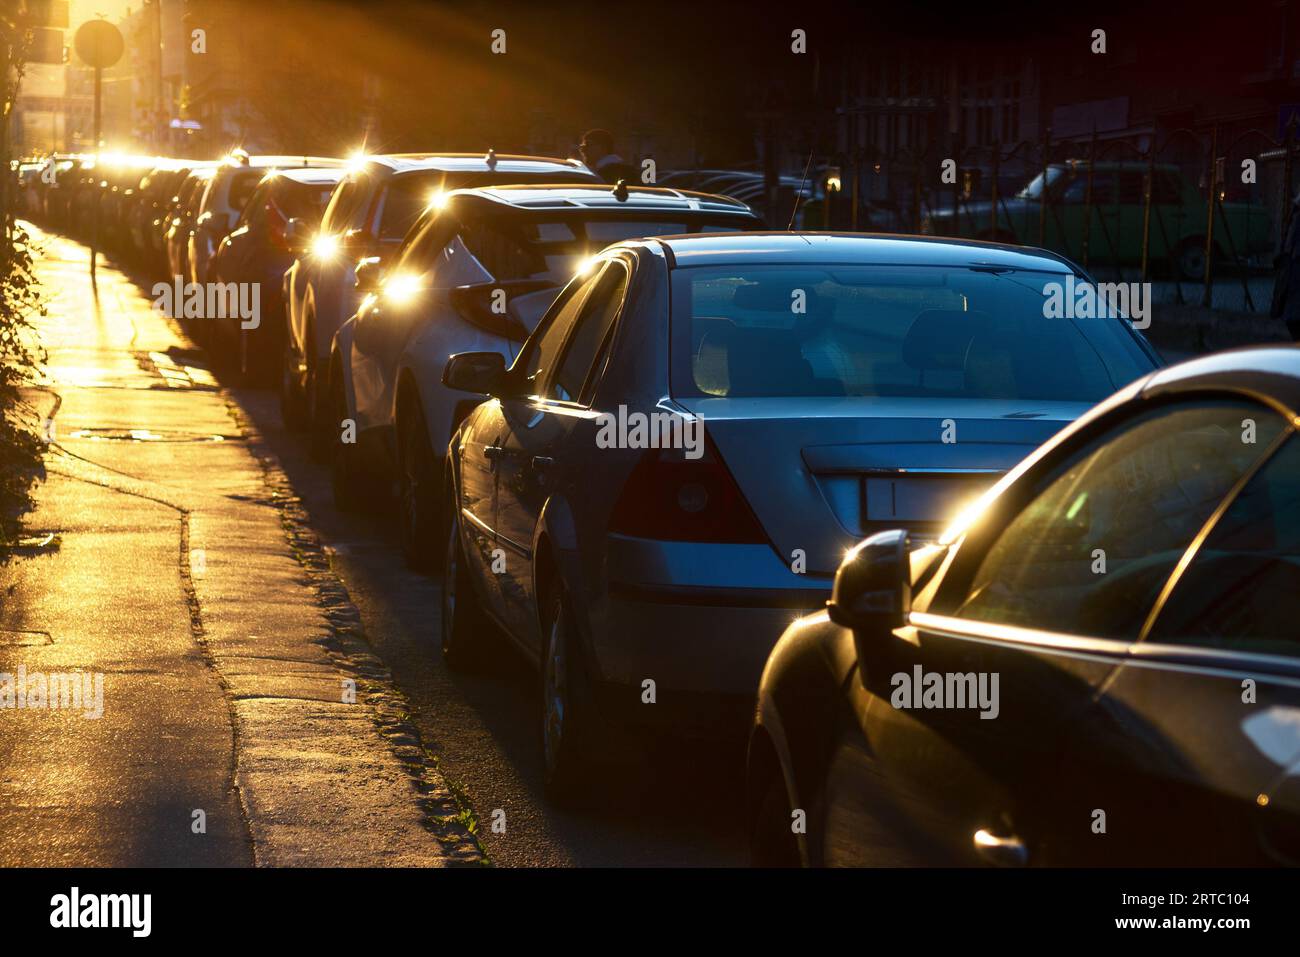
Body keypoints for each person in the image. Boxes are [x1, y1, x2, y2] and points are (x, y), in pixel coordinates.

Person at [1271, 190, 1300, 341]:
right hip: (1292, 268)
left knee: (1293, 317)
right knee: (1292, 317)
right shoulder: (1295, 214)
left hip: (1294, 268)